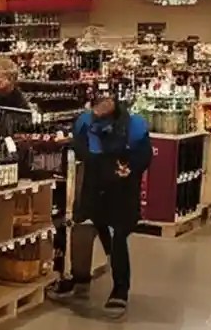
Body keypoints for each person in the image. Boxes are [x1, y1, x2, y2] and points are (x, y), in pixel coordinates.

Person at [50, 94, 152, 318]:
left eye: (105, 101)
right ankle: (79, 280)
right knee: (88, 230)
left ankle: (120, 289)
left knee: (117, 236)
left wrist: (130, 168)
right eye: (96, 102)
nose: (99, 107)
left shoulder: (134, 125)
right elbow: (80, 147)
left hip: (122, 189)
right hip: (94, 186)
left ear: (115, 102)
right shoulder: (84, 122)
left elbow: (144, 155)